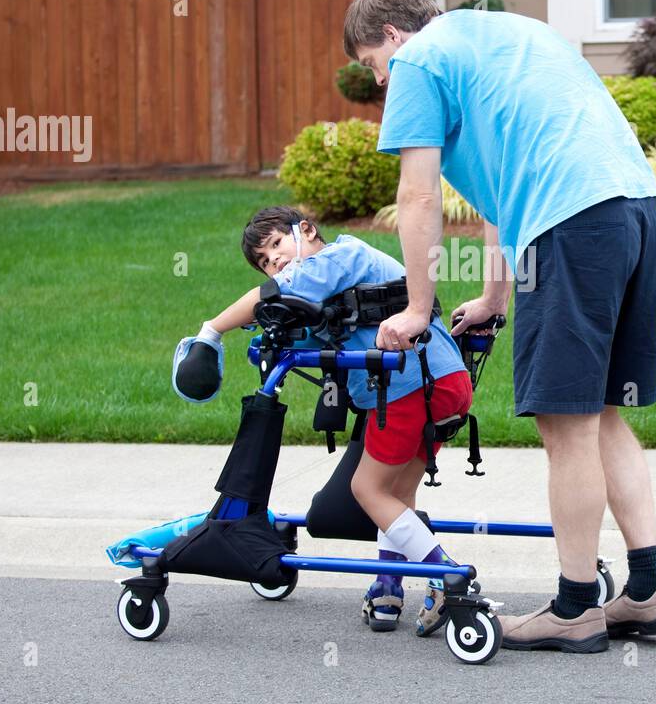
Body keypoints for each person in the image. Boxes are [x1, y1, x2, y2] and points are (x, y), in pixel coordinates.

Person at [345, 0, 656, 654]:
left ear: (392, 36)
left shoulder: (419, 59)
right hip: (637, 208)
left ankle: (575, 606)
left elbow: (416, 197)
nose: (382, 84)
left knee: (566, 426)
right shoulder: (518, 34)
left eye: (371, 67)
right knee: (603, 411)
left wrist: (420, 308)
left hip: (574, 223)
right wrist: (497, 295)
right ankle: (647, 587)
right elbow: (510, 188)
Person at [184, 204, 475, 635]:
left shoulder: (339, 258)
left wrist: (212, 330)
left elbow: (275, 294)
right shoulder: (324, 290)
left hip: (406, 388)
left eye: (277, 245)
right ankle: (388, 590)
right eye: (264, 261)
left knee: (366, 489)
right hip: (442, 382)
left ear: (306, 230)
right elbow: (294, 320)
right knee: (396, 495)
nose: (274, 261)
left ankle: (446, 576)